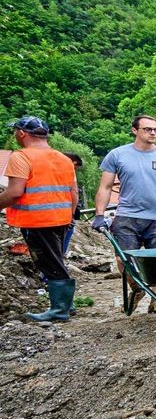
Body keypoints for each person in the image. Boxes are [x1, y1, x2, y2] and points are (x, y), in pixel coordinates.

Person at [92, 116, 156, 301]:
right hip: (127, 216)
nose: (153, 133)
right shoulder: (117, 155)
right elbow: (105, 187)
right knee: (123, 259)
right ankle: (137, 287)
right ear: (135, 130)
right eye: (148, 129)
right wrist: (99, 214)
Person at [0, 117, 78, 322]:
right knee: (56, 259)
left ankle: (60, 310)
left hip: (36, 219)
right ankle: (66, 305)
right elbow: (74, 193)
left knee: (50, 263)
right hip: (60, 218)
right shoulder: (63, 158)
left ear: (22, 133)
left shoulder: (21, 157)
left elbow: (15, 192)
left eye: (15, 131)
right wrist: (68, 216)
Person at [61, 152, 85, 255]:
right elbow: (74, 192)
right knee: (66, 233)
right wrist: (71, 214)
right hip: (63, 211)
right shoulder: (68, 169)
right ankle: (59, 258)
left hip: (42, 212)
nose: (74, 170)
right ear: (73, 162)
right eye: (75, 167)